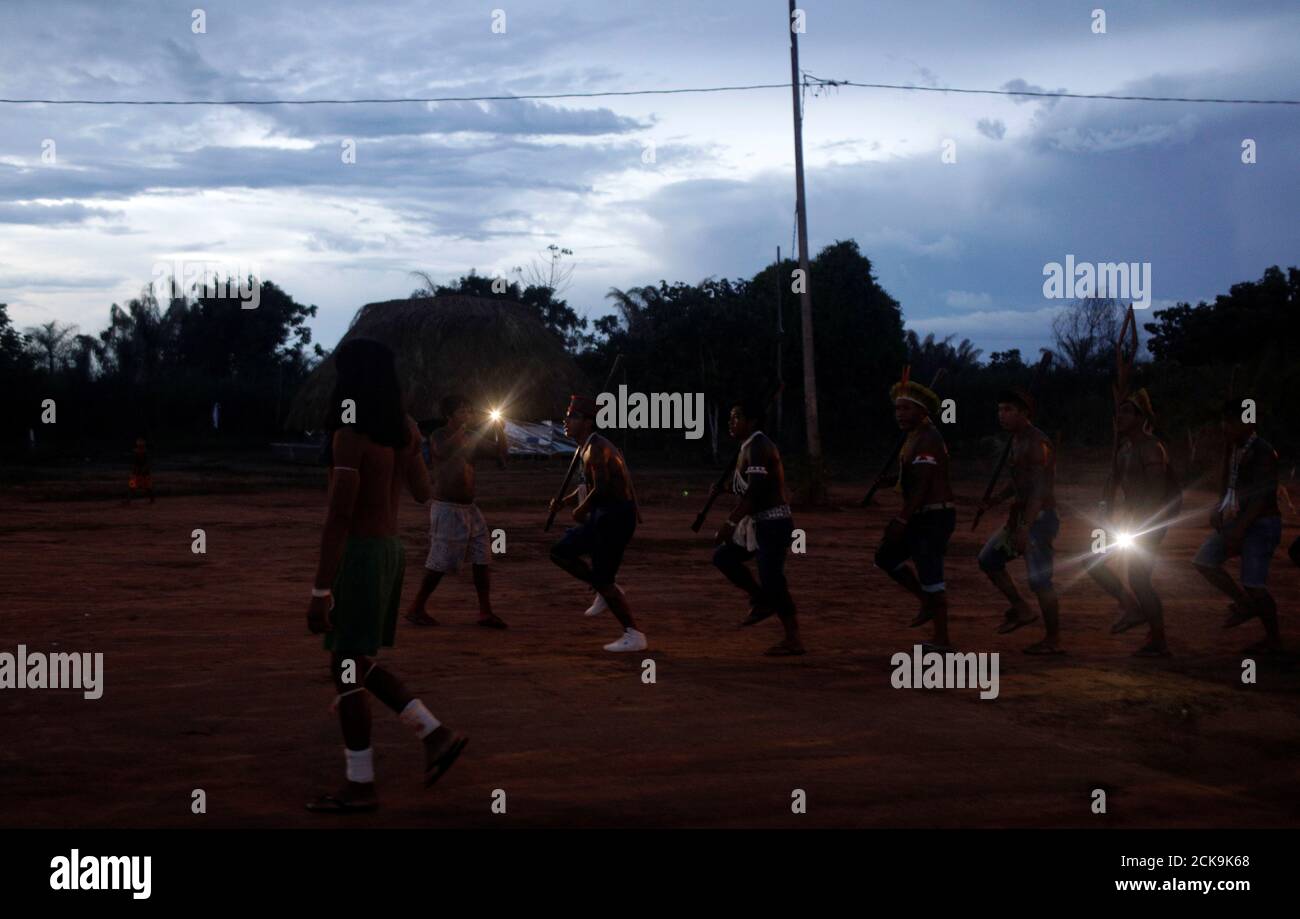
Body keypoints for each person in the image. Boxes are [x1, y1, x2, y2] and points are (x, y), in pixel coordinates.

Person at [306, 338, 467, 813]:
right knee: (353, 664)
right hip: (391, 551)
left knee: (346, 667)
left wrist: (320, 590)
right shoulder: (403, 430)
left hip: (360, 554)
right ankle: (432, 735)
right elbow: (422, 492)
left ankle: (365, 783)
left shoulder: (350, 435)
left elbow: (339, 516)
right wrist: (418, 446)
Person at [548, 395, 646, 652]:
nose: (565, 421)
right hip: (605, 516)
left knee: (572, 559)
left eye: (572, 416)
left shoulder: (596, 448)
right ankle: (604, 587)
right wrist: (567, 502)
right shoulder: (587, 447)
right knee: (563, 554)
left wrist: (581, 509)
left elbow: (601, 488)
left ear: (588, 422)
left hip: (614, 517)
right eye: (566, 415)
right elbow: (587, 485)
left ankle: (633, 634)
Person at [709, 397, 804, 656]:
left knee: (772, 578)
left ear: (751, 421)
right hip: (758, 524)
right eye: (730, 416)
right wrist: (727, 488)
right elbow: (749, 488)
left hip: (772, 523)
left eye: (737, 416)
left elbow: (755, 494)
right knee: (723, 558)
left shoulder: (759, 447)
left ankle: (793, 638)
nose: (731, 421)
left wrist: (730, 522)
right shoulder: (747, 447)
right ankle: (761, 599)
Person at [405, 395, 508, 629]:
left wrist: (500, 429)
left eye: (470, 411)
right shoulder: (439, 435)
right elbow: (442, 451)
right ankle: (416, 607)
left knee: (483, 557)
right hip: (447, 508)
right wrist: (463, 429)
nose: (469, 415)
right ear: (449, 416)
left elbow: (501, 454)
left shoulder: (472, 437)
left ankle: (485, 611)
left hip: (470, 509)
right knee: (439, 562)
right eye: (463, 411)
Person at [1085, 390, 1174, 656]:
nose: (1119, 416)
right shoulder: (1123, 448)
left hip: (1147, 521)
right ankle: (1131, 607)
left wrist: (1143, 522)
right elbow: (1111, 484)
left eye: (1127, 411)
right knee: (1092, 560)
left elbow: (1157, 492)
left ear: (1141, 416)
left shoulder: (1151, 448)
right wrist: (1104, 513)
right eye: (1118, 411)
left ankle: (1158, 640)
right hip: (1126, 520)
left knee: (1138, 578)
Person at [974, 388, 1063, 655]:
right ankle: (1022, 609)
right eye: (1000, 409)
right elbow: (1019, 484)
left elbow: (1038, 491)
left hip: (1039, 518)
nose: (1002, 415)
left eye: (1009, 410)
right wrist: (995, 500)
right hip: (1021, 517)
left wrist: (1025, 528)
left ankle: (1053, 640)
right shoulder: (1016, 441)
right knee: (988, 559)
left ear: (1025, 413)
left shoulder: (1037, 443)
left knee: (1040, 581)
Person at [1192, 399, 1284, 653]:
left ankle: (1273, 639)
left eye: (1232, 421)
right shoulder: (1233, 448)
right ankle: (1245, 604)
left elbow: (1262, 496)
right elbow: (1228, 483)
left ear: (1249, 423)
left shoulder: (1263, 452)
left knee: (1254, 584)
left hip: (1261, 524)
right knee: (1204, 561)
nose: (1226, 426)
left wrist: (1240, 528)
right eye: (1225, 420)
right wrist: (1219, 506)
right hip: (1239, 520)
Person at [872, 372, 956, 650]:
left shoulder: (928, 437)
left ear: (922, 411)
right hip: (921, 514)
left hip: (932, 516)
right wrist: (891, 481)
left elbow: (923, 485)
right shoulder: (915, 436)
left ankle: (942, 640)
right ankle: (925, 601)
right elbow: (911, 477)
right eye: (897, 408)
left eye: (906, 407)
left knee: (931, 572)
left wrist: (901, 519)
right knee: (886, 557)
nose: (899, 413)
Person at [126, 437, 154, 504]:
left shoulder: (144, 452)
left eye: (141, 445)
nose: (140, 446)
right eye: (139, 445)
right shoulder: (137, 452)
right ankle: (129, 500)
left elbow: (147, 463)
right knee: (132, 486)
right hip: (138, 471)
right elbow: (134, 463)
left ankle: (152, 499)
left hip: (144, 472)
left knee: (147, 487)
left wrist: (143, 470)